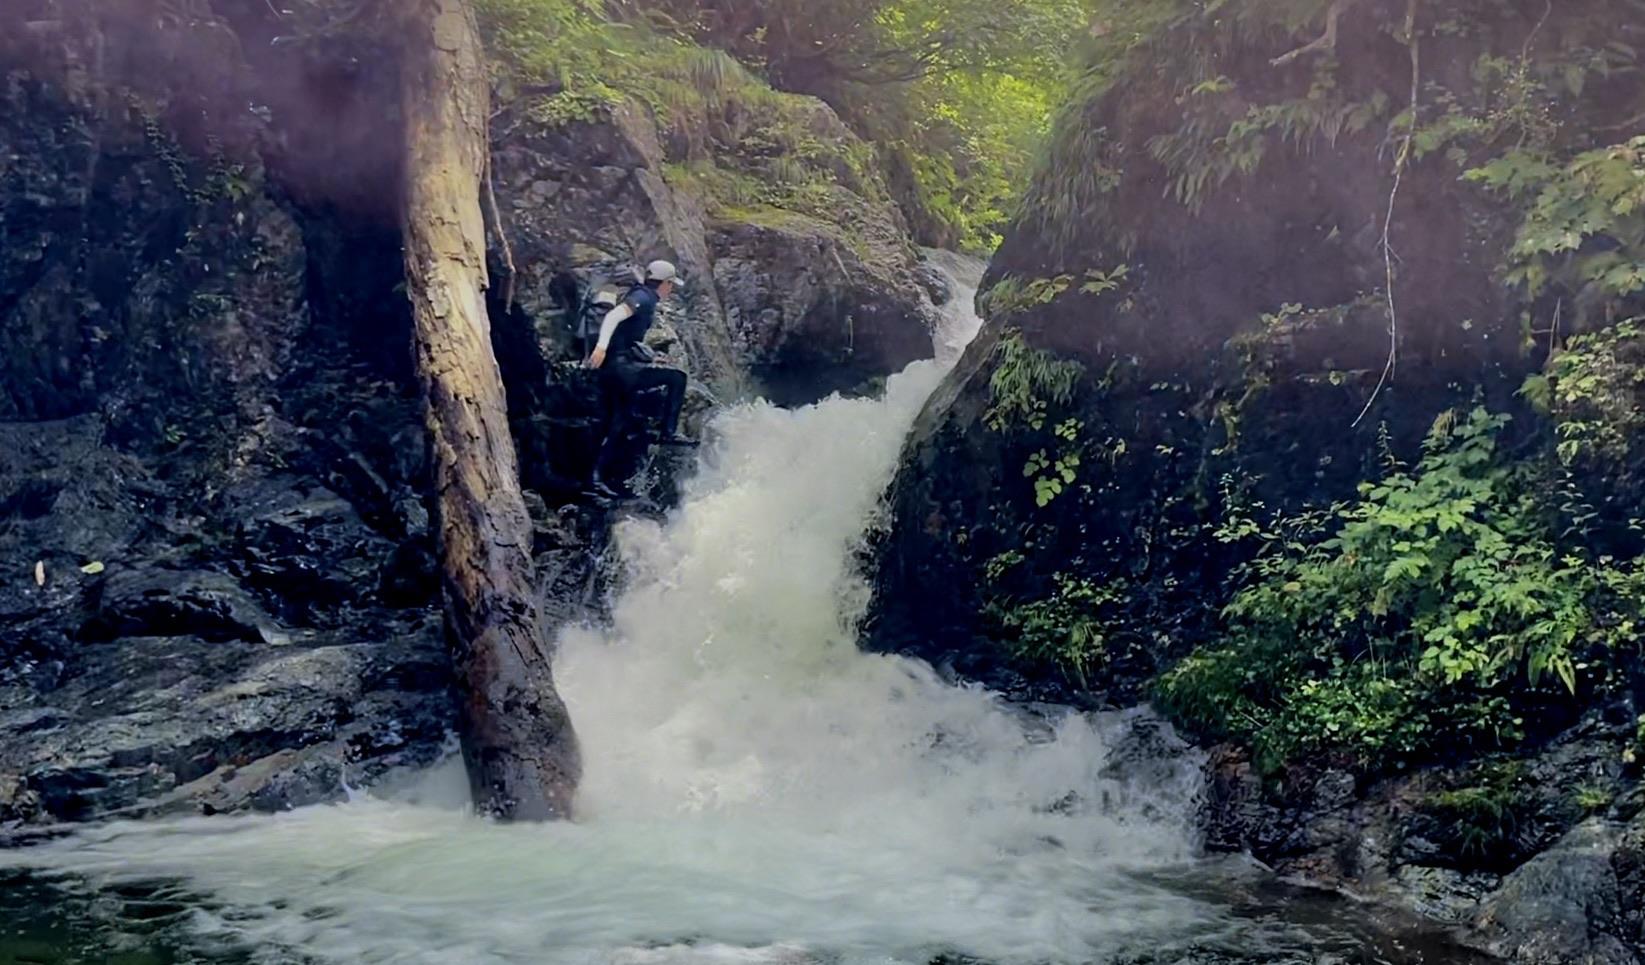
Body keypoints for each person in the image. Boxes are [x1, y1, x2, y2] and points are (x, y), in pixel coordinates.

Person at [587, 259, 695, 499]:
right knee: (677, 378)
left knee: (618, 423)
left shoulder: (642, 294)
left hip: (613, 369)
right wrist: (601, 348)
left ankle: (595, 479)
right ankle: (668, 433)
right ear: (664, 283)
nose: (671, 289)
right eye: (670, 285)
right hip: (621, 370)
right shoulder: (644, 298)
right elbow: (614, 316)